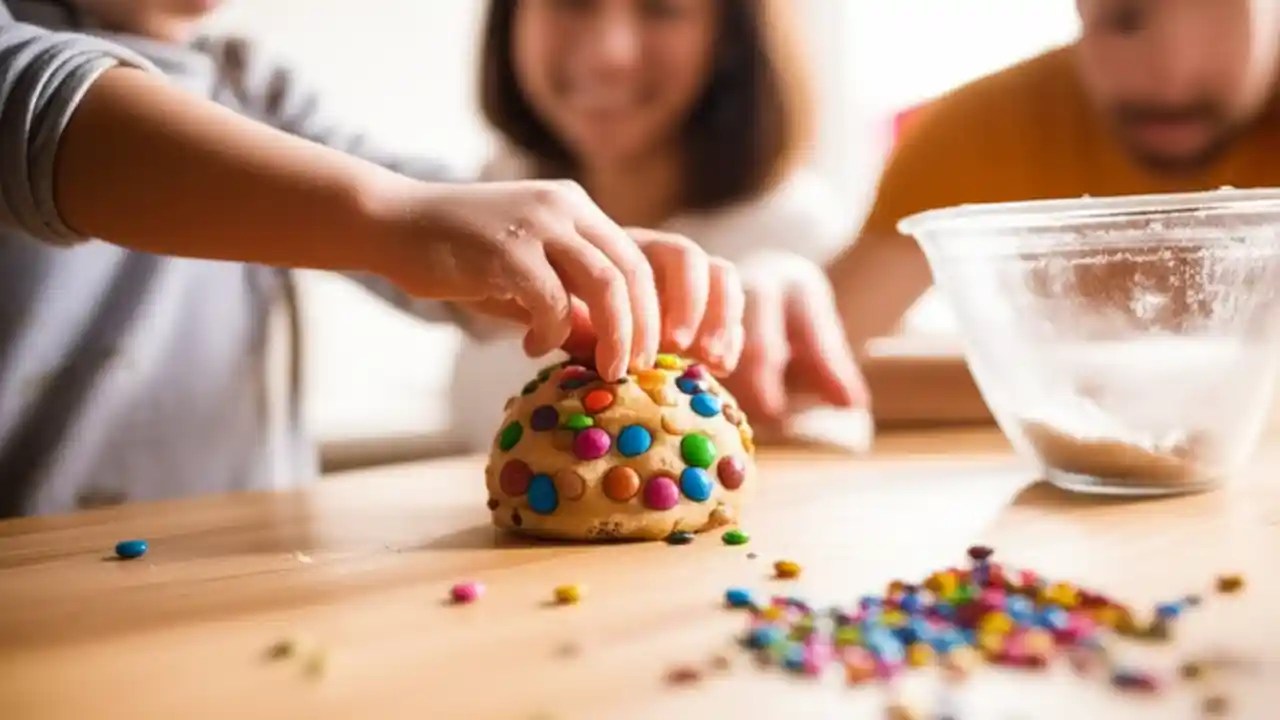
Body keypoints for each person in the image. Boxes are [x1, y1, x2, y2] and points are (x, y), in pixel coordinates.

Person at [0, 0, 743, 516]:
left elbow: (428, 220)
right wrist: (395, 218)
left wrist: (549, 261)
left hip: (237, 576)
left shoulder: (253, 84)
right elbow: (30, 110)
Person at [828, 0, 1280, 425]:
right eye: (1125, 17)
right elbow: (810, 370)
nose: (1173, 72)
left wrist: (1064, 378)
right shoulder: (986, 130)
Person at [450, 0, 867, 450]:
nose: (611, 55)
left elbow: (848, 431)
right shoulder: (498, 185)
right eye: (570, 2)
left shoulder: (798, 235)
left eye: (663, 9)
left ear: (729, 37)